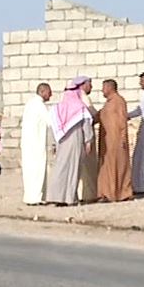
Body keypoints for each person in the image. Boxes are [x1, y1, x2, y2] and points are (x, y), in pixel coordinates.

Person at [46, 77, 94, 206]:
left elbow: (52, 127)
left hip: (61, 141)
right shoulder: (79, 107)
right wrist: (88, 140)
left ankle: (57, 197)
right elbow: (86, 125)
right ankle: (69, 198)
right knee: (73, 168)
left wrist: (53, 144)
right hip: (75, 140)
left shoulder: (57, 108)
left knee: (60, 168)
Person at [96, 79, 134, 203]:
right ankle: (106, 192)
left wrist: (123, 137)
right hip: (107, 141)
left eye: (104, 87)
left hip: (116, 140)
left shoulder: (119, 101)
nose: (102, 90)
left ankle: (122, 193)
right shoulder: (108, 103)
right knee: (106, 166)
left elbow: (122, 119)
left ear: (110, 87)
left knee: (118, 165)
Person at [20, 84, 53, 205]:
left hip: (28, 143)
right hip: (36, 143)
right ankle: (36, 198)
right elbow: (50, 121)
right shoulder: (39, 105)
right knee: (37, 170)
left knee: (30, 170)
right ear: (42, 91)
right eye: (49, 92)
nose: (51, 95)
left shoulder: (30, 103)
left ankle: (31, 196)